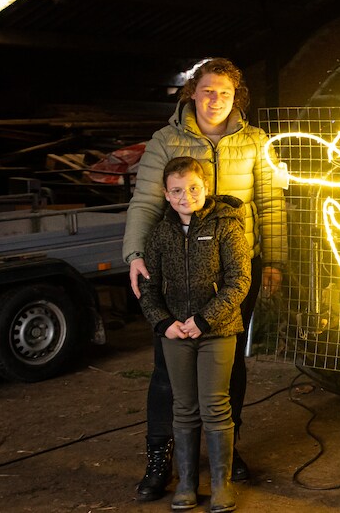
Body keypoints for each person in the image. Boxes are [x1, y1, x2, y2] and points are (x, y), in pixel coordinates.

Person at [124, 58, 286, 500]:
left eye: (225, 93)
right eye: (208, 90)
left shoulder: (255, 142)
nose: (216, 100)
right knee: (166, 370)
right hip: (174, 271)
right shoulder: (165, 140)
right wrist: (136, 254)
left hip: (235, 270)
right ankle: (160, 457)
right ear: (192, 92)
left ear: (237, 98)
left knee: (227, 365)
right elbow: (143, 202)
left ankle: (224, 457)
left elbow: (271, 203)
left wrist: (274, 260)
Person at [138, 157, 251, 512]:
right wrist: (163, 323)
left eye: (193, 188)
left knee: (216, 406)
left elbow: (239, 281)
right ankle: (186, 484)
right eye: (177, 190)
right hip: (176, 334)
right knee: (184, 407)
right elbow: (149, 288)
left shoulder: (226, 226)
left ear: (205, 188)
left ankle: (221, 484)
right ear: (166, 195)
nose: (186, 196)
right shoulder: (159, 233)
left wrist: (204, 320)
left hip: (217, 332)